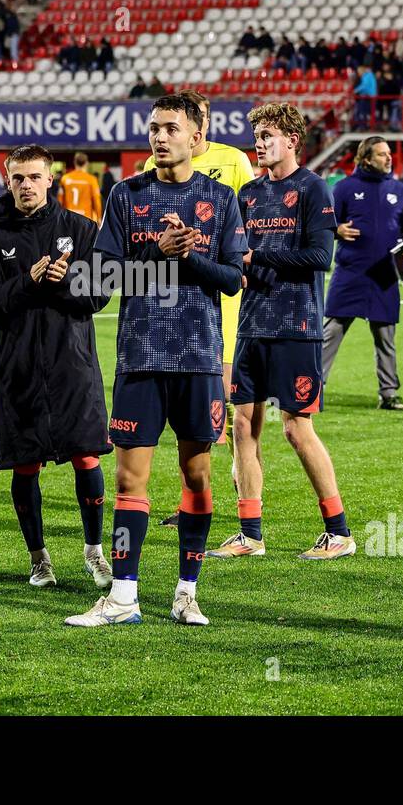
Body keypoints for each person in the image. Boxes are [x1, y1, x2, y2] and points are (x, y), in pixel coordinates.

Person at [65, 93, 246, 629]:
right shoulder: (126, 195)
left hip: (198, 357)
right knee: (129, 482)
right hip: (140, 357)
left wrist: (189, 256)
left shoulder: (220, 198)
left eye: (170, 128)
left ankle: (187, 592)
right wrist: (156, 253)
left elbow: (234, 279)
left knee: (196, 477)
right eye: (153, 128)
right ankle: (123, 596)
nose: (159, 137)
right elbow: (99, 278)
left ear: (197, 136)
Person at [0, 144, 113, 589]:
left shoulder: (81, 229)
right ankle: (39, 558)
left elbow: (100, 293)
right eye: (18, 178)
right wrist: (26, 283)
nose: (26, 185)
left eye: (34, 177)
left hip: (73, 365)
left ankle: (94, 552)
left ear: (51, 179)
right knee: (26, 464)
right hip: (17, 369)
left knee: (87, 455)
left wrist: (64, 281)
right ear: (7, 180)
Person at [210, 102, 355, 561]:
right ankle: (250, 533)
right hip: (253, 324)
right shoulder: (248, 194)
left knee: (296, 429)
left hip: (299, 325)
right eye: (257, 135)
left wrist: (258, 258)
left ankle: (339, 532)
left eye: (269, 134)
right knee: (244, 426)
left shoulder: (314, 189)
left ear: (293, 140)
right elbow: (236, 254)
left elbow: (320, 257)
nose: (260, 142)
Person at [140, 89, 255, 527]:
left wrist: (242, 261)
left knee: (229, 417)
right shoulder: (153, 168)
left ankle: (241, 505)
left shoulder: (234, 162)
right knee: (195, 419)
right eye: (161, 127)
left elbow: (249, 219)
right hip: (170, 310)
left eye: (190, 121)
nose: (172, 134)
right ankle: (193, 501)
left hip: (224, 304)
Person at [321, 135, 403, 410]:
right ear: (366, 158)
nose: (388, 158)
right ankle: (313, 389)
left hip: (384, 275)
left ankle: (389, 395)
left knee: (386, 336)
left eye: (389, 153)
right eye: (381, 154)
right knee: (331, 332)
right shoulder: (344, 188)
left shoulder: (400, 191)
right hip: (350, 271)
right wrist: (336, 229)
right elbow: (323, 220)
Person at [58, 151, 102, 224]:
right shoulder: (91, 179)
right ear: (86, 163)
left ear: (74, 162)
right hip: (86, 218)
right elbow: (96, 200)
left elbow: (59, 200)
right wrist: (99, 218)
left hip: (68, 218)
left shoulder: (65, 178)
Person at [353, 65, 377, 129]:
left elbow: (364, 86)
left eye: (359, 72)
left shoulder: (367, 75)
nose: (358, 73)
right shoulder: (369, 75)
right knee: (367, 112)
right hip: (369, 96)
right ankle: (366, 125)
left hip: (369, 97)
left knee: (364, 112)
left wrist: (355, 91)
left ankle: (364, 126)